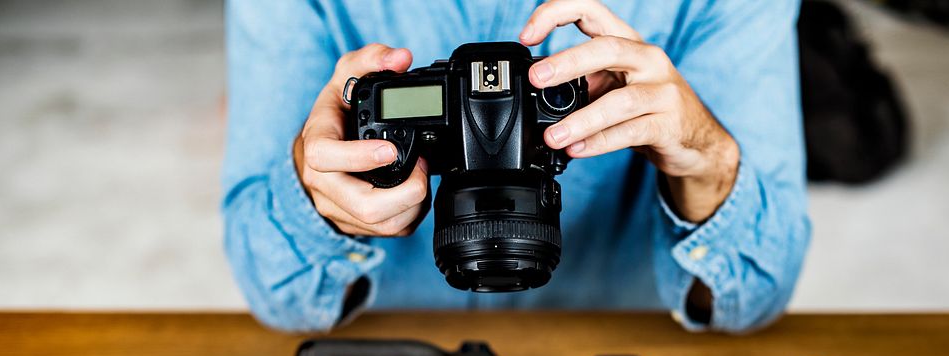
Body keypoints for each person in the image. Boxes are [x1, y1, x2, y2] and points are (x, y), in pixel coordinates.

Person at [222, 0, 810, 333]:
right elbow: (278, 299)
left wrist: (706, 160)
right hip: (400, 348)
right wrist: (320, 191)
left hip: (618, 343)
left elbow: (754, 300)